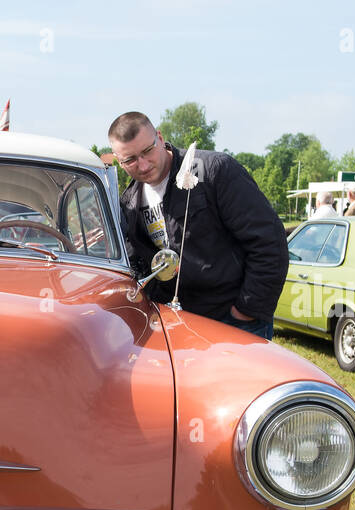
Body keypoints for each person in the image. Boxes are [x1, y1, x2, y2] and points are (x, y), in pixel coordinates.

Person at [108, 111, 287, 340]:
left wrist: (245, 311)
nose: (142, 165)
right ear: (117, 159)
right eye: (130, 160)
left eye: (147, 151)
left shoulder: (214, 171)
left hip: (234, 322)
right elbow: (139, 265)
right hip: (177, 328)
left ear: (160, 138)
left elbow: (269, 242)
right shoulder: (129, 202)